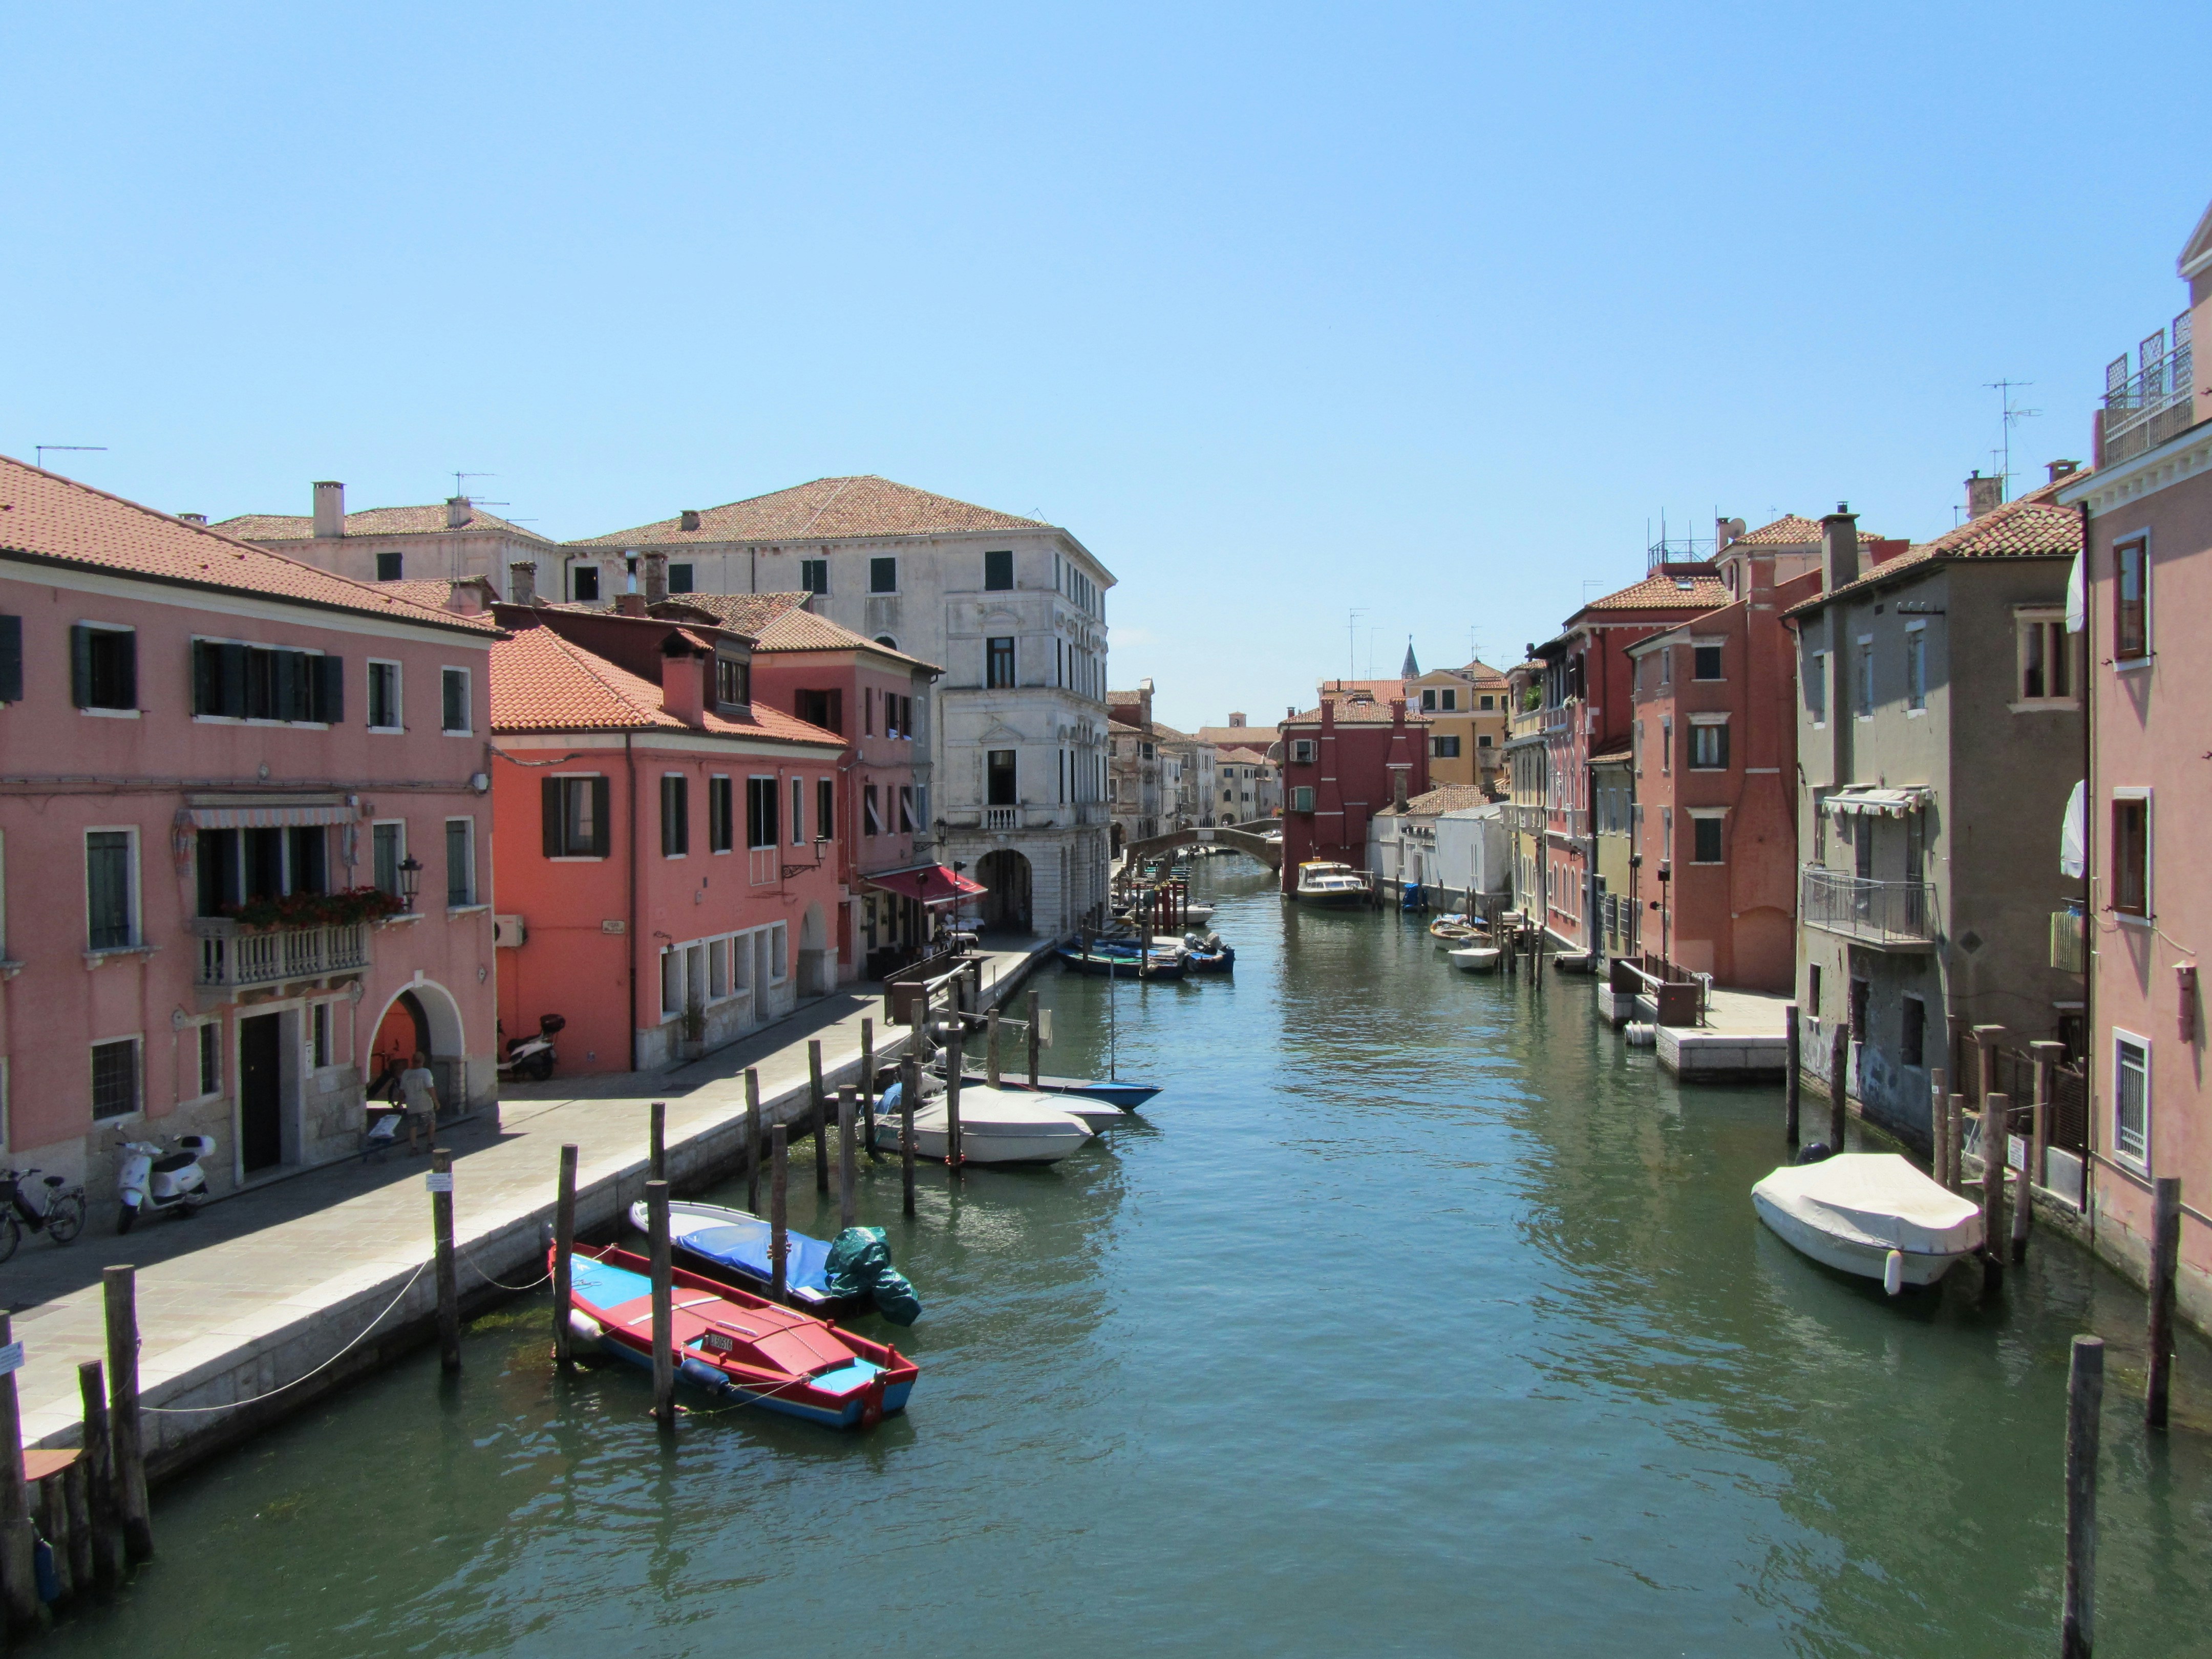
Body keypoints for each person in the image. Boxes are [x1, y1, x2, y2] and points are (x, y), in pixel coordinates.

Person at [398, 1052, 440, 1155]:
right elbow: (430, 1088)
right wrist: (436, 1102)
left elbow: (402, 1090)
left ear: (412, 1061)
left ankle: (414, 1147)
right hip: (425, 1104)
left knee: (413, 1126)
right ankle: (430, 1144)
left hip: (412, 1105)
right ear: (423, 1061)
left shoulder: (406, 1073)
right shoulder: (426, 1072)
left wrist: (400, 1102)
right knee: (431, 1123)